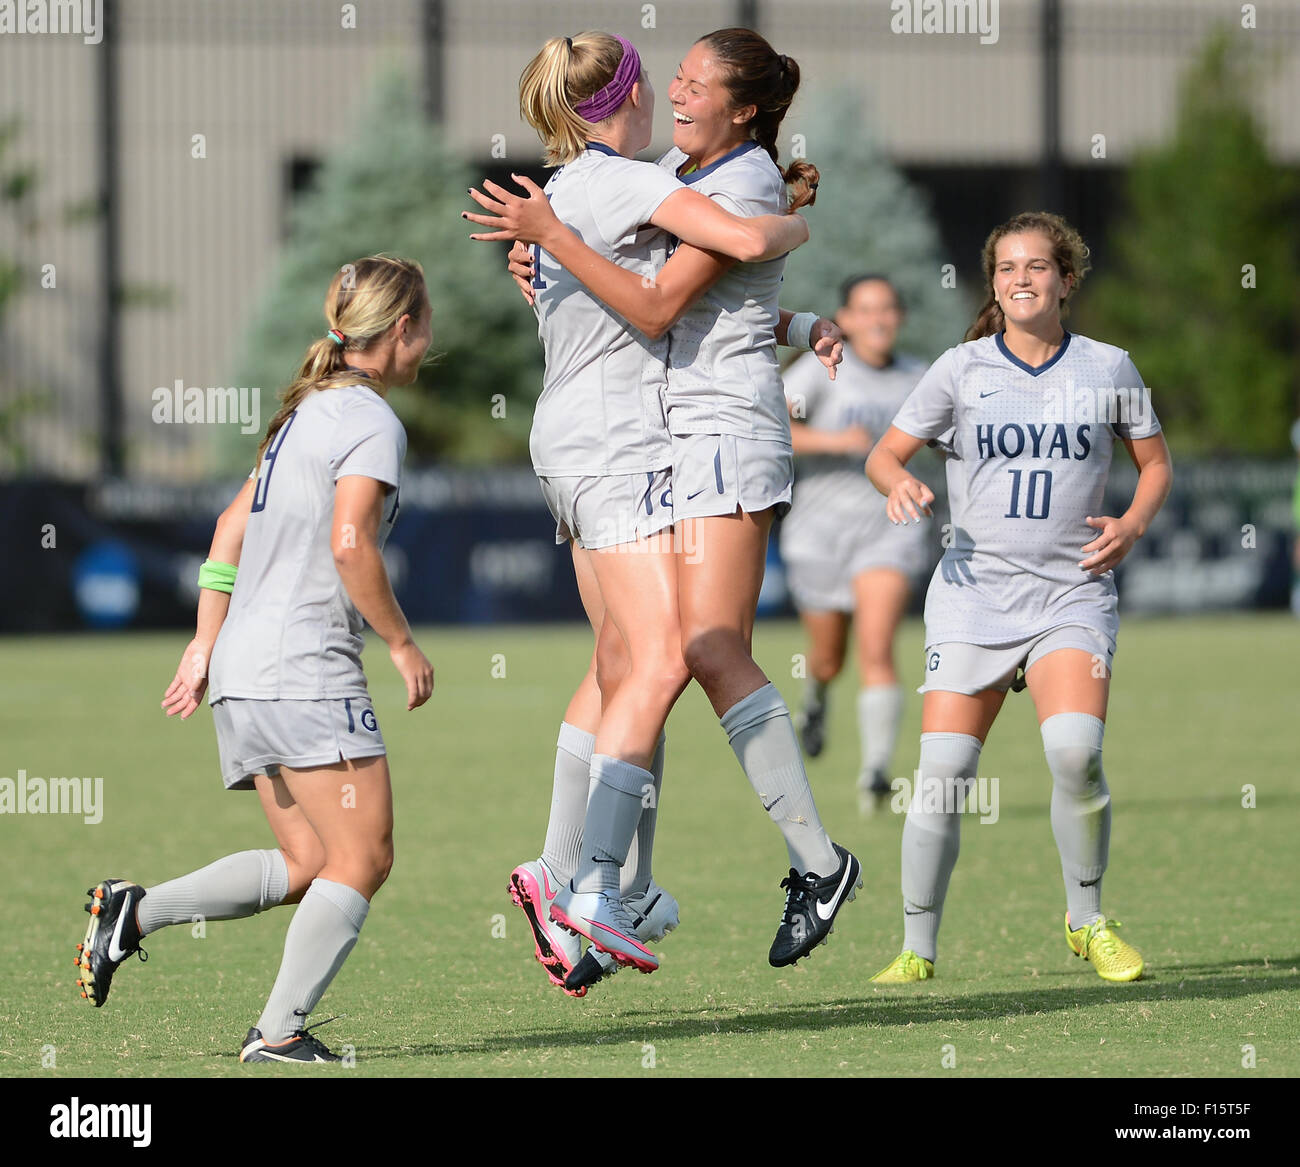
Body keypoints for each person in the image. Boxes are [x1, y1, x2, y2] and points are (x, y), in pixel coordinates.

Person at [468, 28, 861, 987]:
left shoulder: (730, 179)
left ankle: (631, 880)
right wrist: (793, 308)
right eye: (673, 78)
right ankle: (593, 883)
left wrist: (784, 237)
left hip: (716, 435)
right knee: (643, 660)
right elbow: (678, 300)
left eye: (698, 82)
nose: (680, 93)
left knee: (685, 653)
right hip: (648, 444)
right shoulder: (665, 175)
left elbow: (669, 299)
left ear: (745, 109)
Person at [75, 256, 435, 1061]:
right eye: (426, 326)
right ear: (401, 328)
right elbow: (351, 547)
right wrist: (403, 641)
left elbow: (226, 533)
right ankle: (277, 1032)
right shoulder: (371, 421)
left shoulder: (302, 415)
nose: (427, 344)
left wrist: (206, 642)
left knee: (309, 860)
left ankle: (136, 911)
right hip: (304, 666)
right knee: (364, 856)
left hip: (243, 671)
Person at [864, 212, 1173, 985]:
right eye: (1007, 268)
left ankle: (1088, 917)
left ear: (1067, 281)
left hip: (1072, 593)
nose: (1022, 279)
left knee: (1076, 754)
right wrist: (898, 478)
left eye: (1038, 267)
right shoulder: (961, 368)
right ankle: (916, 948)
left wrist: (1132, 523)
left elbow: (1157, 464)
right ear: (993, 285)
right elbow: (885, 453)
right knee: (942, 774)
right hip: (975, 597)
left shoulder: (1108, 367)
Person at [782, 273, 932, 814]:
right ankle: (817, 696)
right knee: (827, 658)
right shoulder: (823, 370)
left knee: (877, 648)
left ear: (900, 317)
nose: (878, 319)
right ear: (844, 317)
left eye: (887, 309)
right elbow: (769, 423)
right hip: (819, 534)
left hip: (889, 528)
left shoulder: (920, 378)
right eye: (865, 309)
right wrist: (833, 441)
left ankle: (875, 774)